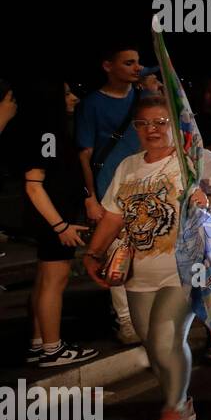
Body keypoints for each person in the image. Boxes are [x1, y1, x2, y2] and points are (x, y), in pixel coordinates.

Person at [82, 95, 211, 420]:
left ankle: (176, 407)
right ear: (136, 129)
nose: (152, 130)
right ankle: (178, 399)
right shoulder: (128, 167)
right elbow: (113, 215)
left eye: (160, 122)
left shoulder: (195, 162)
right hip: (139, 272)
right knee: (152, 345)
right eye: (144, 124)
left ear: (175, 124)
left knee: (166, 338)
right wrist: (93, 252)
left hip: (185, 269)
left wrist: (209, 200)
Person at [75, 43, 152, 344]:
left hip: (146, 190)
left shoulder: (144, 99)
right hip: (110, 189)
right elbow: (84, 154)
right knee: (118, 255)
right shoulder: (92, 105)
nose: (136, 68)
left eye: (138, 62)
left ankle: (144, 317)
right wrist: (89, 197)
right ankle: (126, 321)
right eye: (128, 62)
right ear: (108, 66)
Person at [22, 80, 97, 367]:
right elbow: (33, 185)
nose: (74, 98)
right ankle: (53, 349)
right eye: (66, 93)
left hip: (53, 217)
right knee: (55, 280)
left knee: (45, 279)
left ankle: (41, 343)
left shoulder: (49, 129)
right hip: (53, 218)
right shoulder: (47, 131)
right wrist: (60, 226)